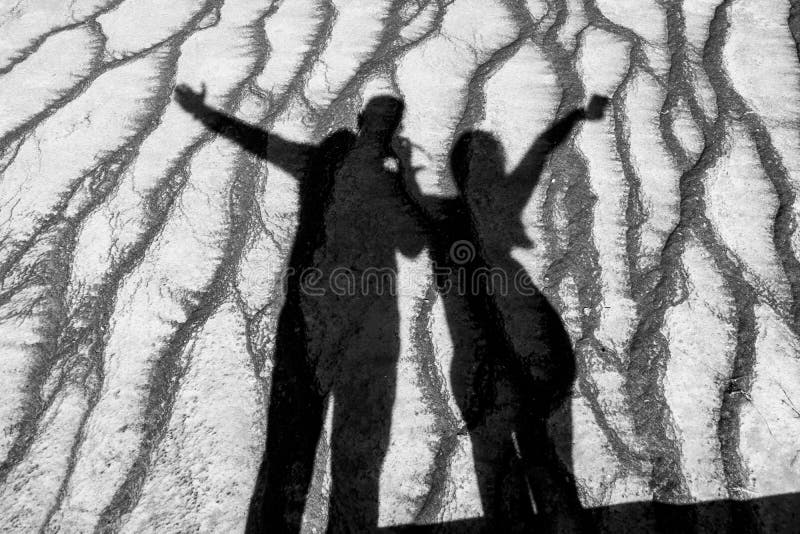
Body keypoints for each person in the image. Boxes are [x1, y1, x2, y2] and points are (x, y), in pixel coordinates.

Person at [175, 85, 427, 532]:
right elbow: (412, 245)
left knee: (290, 446)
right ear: (391, 134)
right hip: (365, 327)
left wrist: (203, 112)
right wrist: (407, 174)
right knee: (355, 456)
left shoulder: (315, 163)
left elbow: (255, 139)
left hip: (308, 319)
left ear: (359, 123)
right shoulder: (382, 180)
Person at [401, 95, 609, 531]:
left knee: (503, 473)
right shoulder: (501, 203)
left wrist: (399, 163)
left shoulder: (446, 214)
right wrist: (576, 114)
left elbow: (410, 199)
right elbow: (539, 150)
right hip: (522, 343)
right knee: (542, 461)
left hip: (482, 357)